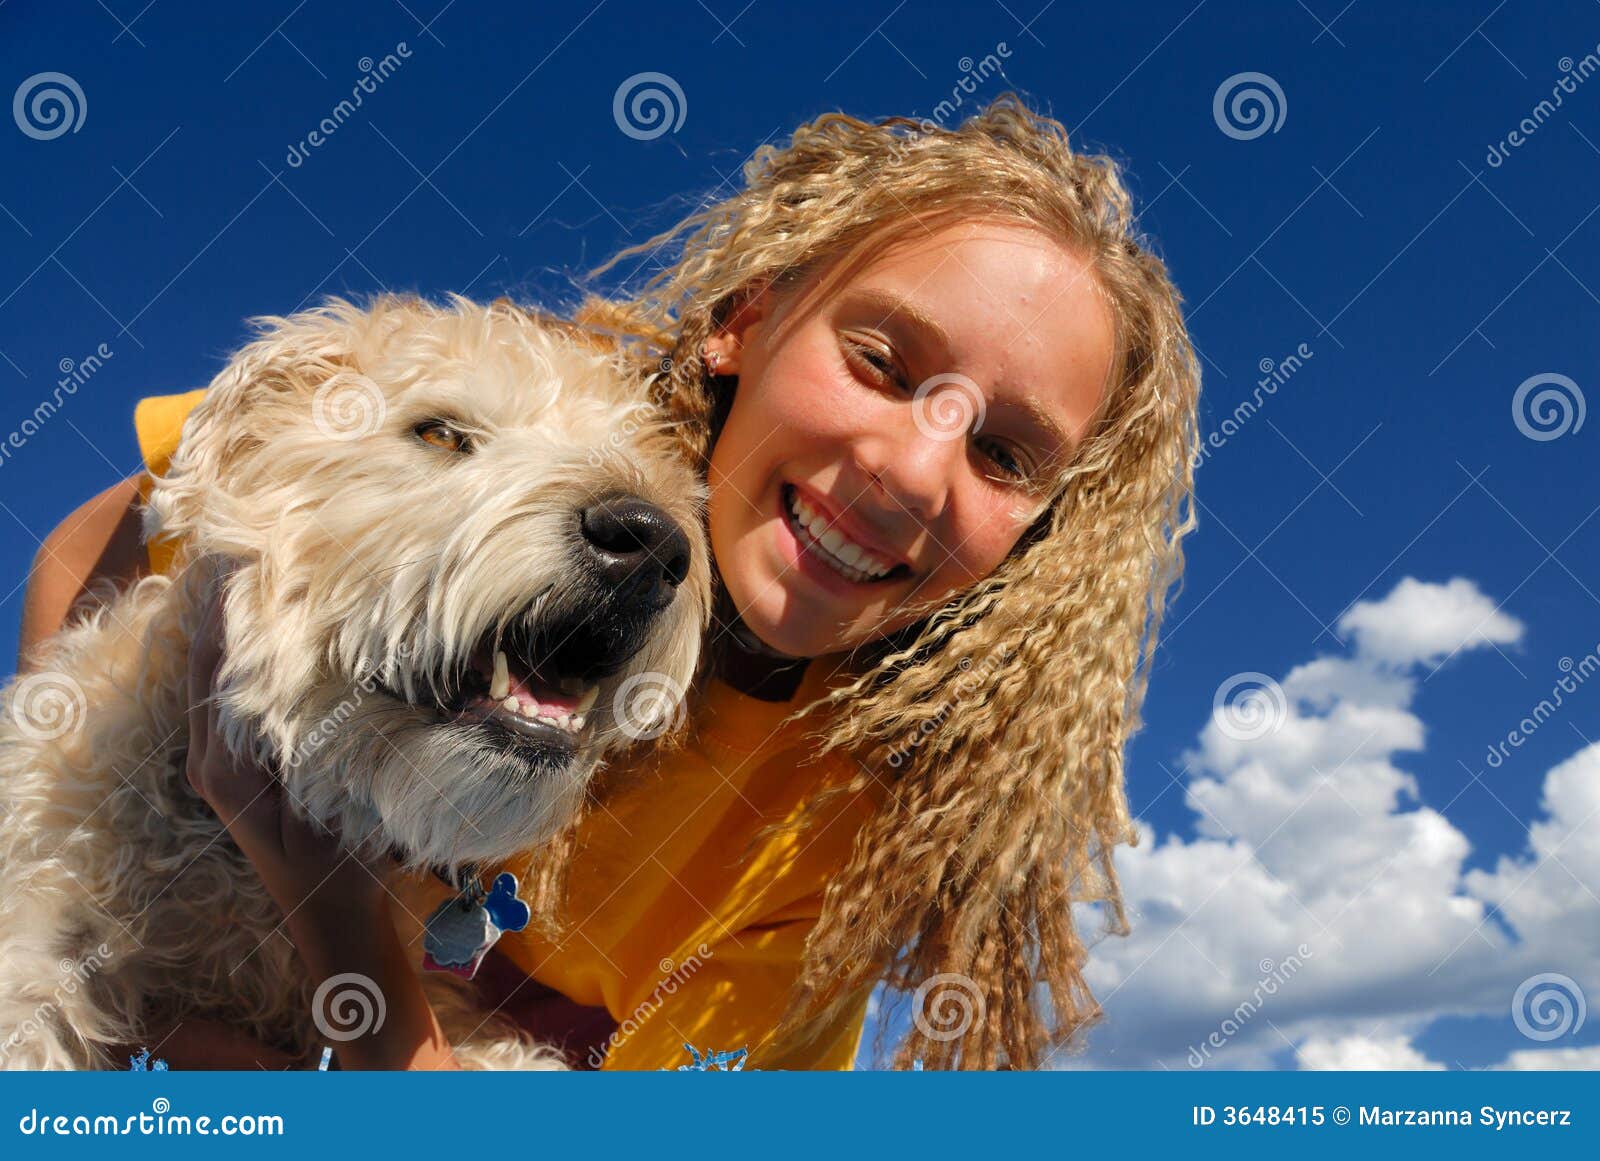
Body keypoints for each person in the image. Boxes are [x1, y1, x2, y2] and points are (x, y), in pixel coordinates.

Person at [18, 93, 1200, 1070]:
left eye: (1003, 456)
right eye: (880, 362)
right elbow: (122, 524)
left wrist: (323, 914)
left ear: (1038, 530)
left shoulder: (848, 839)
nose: (909, 470)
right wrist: (67, 834)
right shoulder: (527, 399)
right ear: (748, 319)